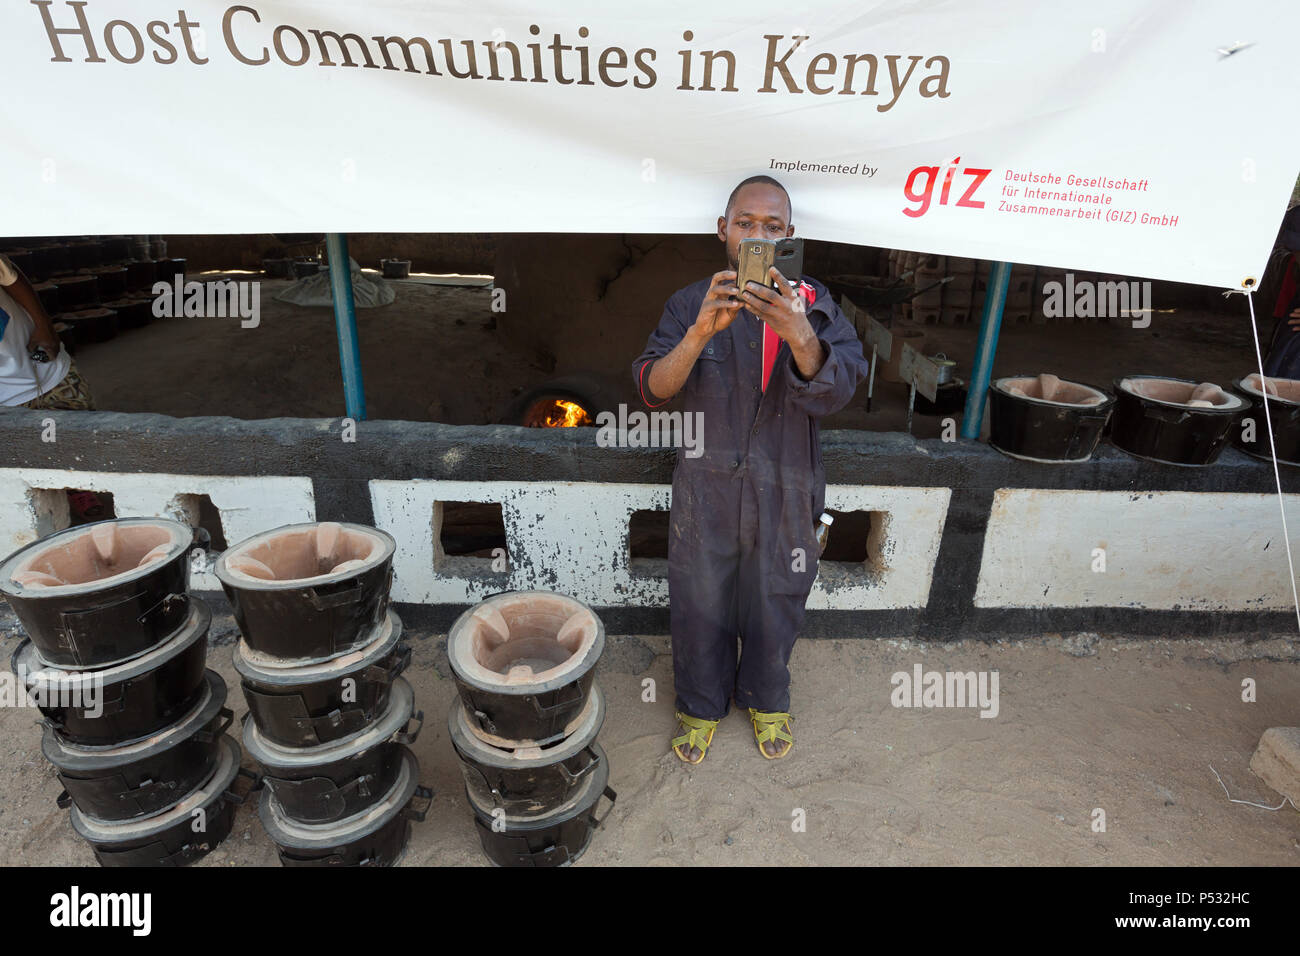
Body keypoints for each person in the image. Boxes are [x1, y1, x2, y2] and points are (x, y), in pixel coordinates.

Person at [631, 176, 870, 762]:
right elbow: (652, 389)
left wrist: (800, 334)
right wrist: (694, 339)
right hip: (706, 484)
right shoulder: (693, 302)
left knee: (777, 593)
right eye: (745, 224)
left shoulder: (815, 306)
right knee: (701, 594)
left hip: (787, 481)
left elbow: (841, 390)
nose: (756, 236)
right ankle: (698, 704)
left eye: (771, 228)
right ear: (724, 231)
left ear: (789, 237)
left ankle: (767, 697)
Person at [0, 253, 95, 410]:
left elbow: (9, 275)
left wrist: (44, 326)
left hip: (50, 375)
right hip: (7, 404)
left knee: (83, 431)